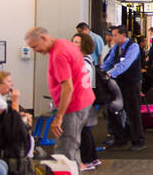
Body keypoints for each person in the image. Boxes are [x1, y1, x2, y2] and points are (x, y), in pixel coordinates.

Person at [27, 25, 100, 160]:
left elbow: (68, 87)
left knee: (65, 152)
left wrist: (59, 116)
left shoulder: (59, 54)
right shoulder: (64, 44)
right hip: (82, 102)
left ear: (43, 38)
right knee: (72, 148)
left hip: (73, 106)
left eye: (34, 46)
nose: (35, 50)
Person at [100, 25, 146, 152]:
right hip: (118, 84)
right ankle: (120, 139)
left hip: (132, 84)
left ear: (123, 35)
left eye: (115, 35)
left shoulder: (133, 47)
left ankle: (139, 141)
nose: (112, 38)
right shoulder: (116, 48)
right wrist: (101, 72)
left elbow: (125, 64)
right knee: (113, 111)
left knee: (133, 113)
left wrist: (110, 74)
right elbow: (109, 62)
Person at [69, 34, 103, 170]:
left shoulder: (84, 62)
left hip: (81, 99)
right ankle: (92, 158)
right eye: (73, 41)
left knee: (81, 130)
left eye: (77, 42)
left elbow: (80, 82)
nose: (74, 44)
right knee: (85, 130)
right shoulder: (86, 60)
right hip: (85, 98)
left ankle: (86, 160)